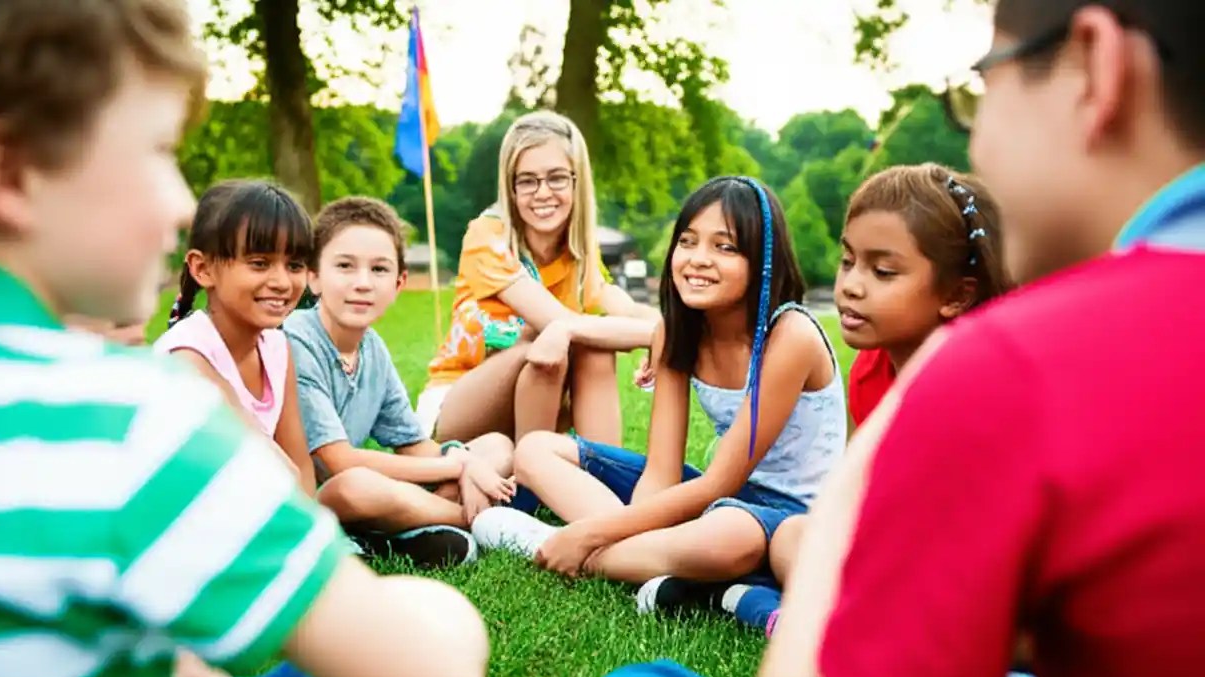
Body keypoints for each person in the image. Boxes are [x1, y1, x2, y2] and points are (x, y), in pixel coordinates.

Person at [573, 1, 1205, 677]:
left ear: (1096, 66)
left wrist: (855, 489)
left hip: (779, 533)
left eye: (977, 90)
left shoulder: (1009, 363)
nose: (979, 147)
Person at [0, 3, 488, 677]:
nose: (180, 199)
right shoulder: (128, 414)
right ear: (8, 173)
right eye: (157, 153)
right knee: (444, 621)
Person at [641, 163, 1012, 632]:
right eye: (847, 261)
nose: (850, 286)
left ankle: (744, 599)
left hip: (966, 569)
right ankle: (747, 599)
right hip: (879, 550)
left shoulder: (981, 380)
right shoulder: (870, 373)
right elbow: (858, 496)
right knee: (795, 537)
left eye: (881, 271)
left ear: (957, 295)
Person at [471, 176, 846, 596]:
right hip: (720, 502)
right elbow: (662, 472)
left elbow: (718, 483)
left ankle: (560, 547)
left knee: (726, 538)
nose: (698, 259)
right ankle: (646, 556)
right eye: (688, 242)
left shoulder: (790, 335)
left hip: (789, 519)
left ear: (762, 261)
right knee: (536, 449)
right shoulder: (676, 332)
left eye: (724, 247)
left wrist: (591, 534)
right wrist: (621, 523)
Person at [286, 196, 516, 566]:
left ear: (399, 282)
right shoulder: (296, 339)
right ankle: (478, 519)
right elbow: (339, 461)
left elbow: (412, 443)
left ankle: (406, 527)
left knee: (497, 446)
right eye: (345, 266)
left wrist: (461, 456)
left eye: (379, 270)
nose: (362, 283)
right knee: (356, 486)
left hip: (369, 489)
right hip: (311, 498)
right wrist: (460, 468)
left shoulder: (371, 348)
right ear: (313, 276)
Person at [416, 110, 660, 452]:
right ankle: (534, 473)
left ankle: (605, 478)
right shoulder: (487, 236)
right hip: (458, 403)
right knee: (549, 338)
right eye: (527, 180)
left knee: (590, 345)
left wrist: (678, 330)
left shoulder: (579, 253)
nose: (542, 192)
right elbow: (561, 324)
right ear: (510, 188)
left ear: (577, 181)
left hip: (534, 406)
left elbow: (628, 308)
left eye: (557, 178)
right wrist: (656, 338)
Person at [155, 179, 319, 498]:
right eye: (259, 263)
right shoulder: (187, 359)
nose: (283, 282)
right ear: (203, 269)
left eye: (295, 265)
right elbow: (272, 469)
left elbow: (300, 466)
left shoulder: (275, 347)